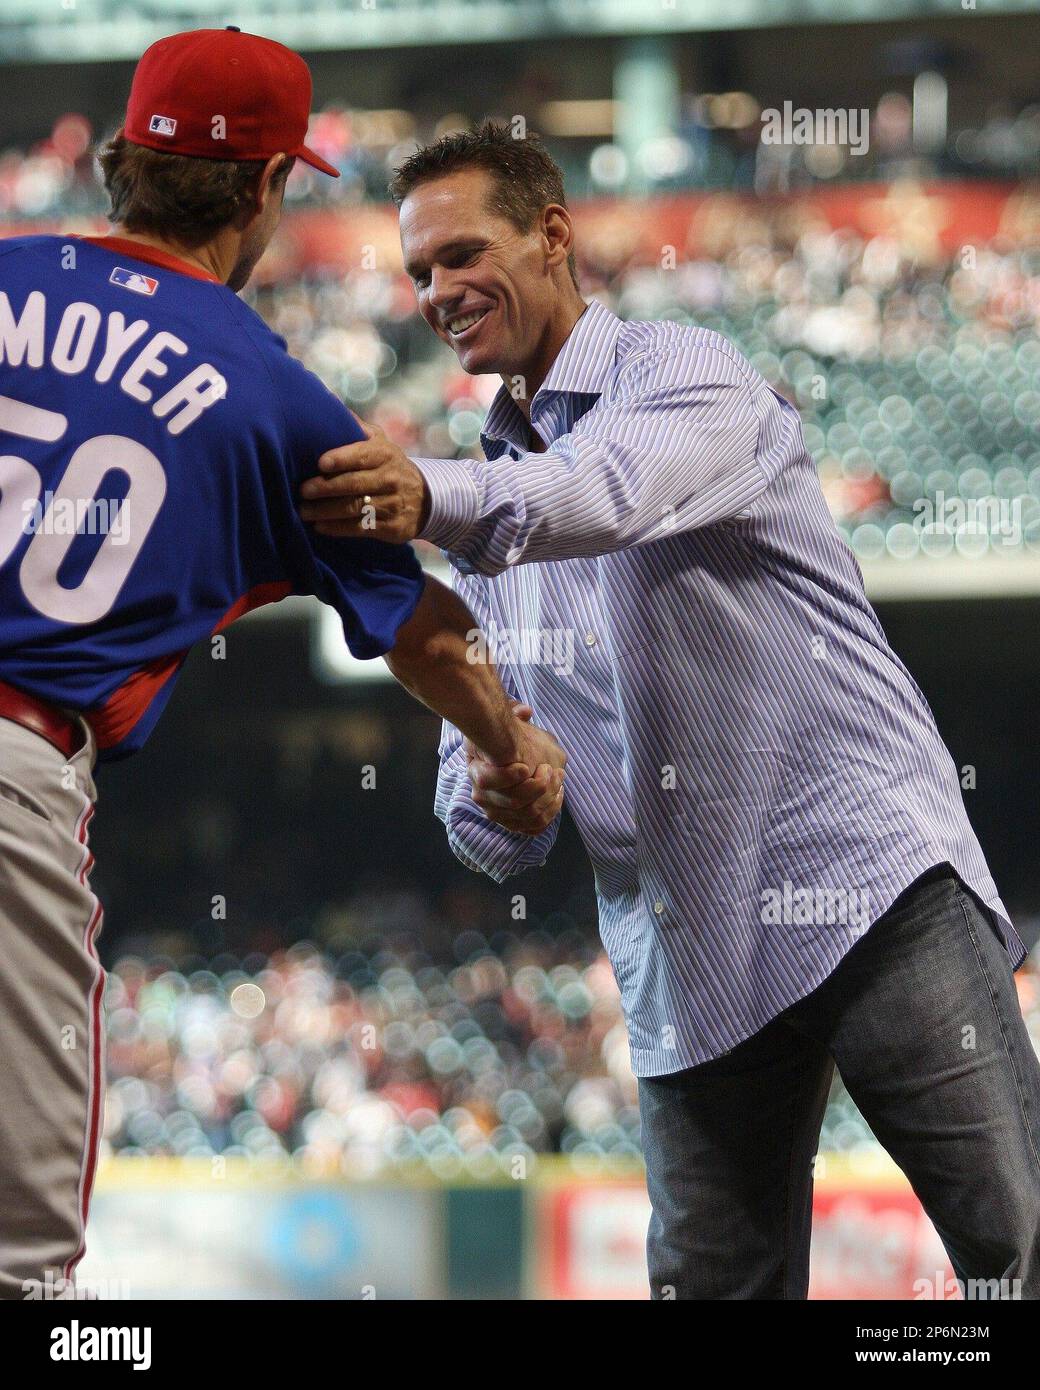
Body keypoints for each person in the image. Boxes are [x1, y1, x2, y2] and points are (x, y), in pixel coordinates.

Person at [299, 122, 1040, 1299]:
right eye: (418, 272)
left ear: (552, 235)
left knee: (1016, 1248)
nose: (436, 292)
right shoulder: (484, 510)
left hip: (862, 883)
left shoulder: (681, 371)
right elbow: (481, 814)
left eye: (459, 254)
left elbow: (604, 490)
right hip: (685, 957)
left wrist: (434, 494)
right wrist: (503, 782)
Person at [0, 40, 564, 1297]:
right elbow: (417, 621)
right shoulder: (267, 390)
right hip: (11, 767)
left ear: (119, 163)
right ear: (265, 188)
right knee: (25, 1274)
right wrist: (510, 747)